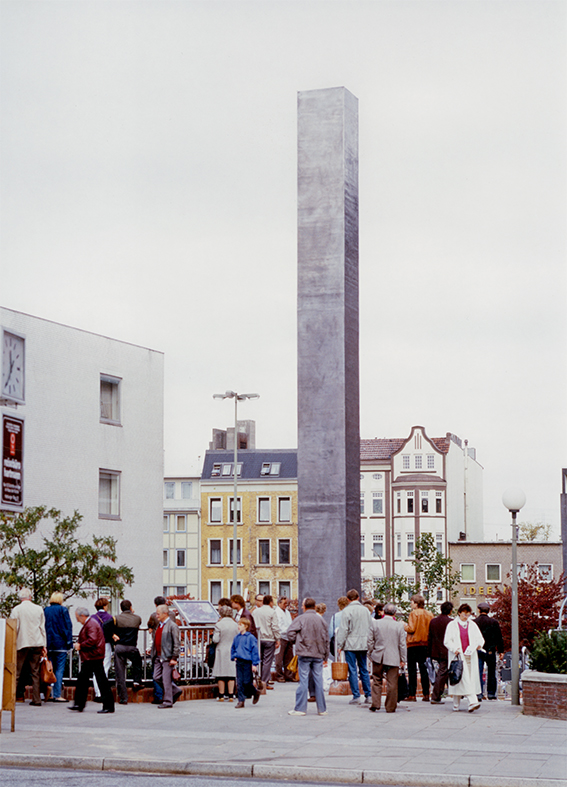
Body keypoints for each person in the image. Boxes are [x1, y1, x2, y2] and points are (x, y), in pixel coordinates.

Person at [286, 597, 329, 716]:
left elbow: (290, 632)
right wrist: (325, 655)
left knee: (303, 680)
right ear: (314, 607)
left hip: (304, 652)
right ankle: (322, 709)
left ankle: (300, 708)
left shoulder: (301, 618)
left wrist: (297, 641)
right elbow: (326, 639)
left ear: (304, 606)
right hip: (318, 653)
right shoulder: (321, 621)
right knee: (318, 680)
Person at [69, 607, 115, 714]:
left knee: (97, 680)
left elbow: (92, 640)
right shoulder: (91, 623)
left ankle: (106, 705)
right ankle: (79, 703)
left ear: (82, 616)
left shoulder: (91, 624)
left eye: (77, 617)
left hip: (93, 656)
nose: (77, 620)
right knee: (86, 680)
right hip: (93, 656)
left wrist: (81, 645)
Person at [444, 603, 484, 713]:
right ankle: (472, 701)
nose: (466, 617)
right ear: (459, 613)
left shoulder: (472, 625)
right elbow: (447, 641)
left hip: (470, 655)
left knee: (466, 678)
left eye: (468, 614)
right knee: (461, 677)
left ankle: (456, 705)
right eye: (464, 614)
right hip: (458, 655)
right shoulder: (452, 625)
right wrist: (453, 648)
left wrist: (479, 645)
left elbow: (479, 638)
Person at [367, 603, 407, 713]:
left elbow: (370, 641)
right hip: (393, 657)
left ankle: (375, 703)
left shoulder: (375, 624)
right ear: (394, 613)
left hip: (378, 656)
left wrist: (370, 653)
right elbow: (402, 644)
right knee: (392, 683)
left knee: (376, 680)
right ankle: (390, 706)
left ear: (383, 612)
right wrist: (403, 659)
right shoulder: (399, 626)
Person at [10, 588, 46, 706]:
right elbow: (42, 628)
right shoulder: (38, 609)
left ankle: (11, 698)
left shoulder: (17, 609)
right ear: (30, 597)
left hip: (22, 642)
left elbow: (14, 627)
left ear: (20, 598)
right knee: (35, 672)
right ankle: (37, 699)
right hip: (36, 642)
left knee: (16, 672)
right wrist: (44, 645)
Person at [336, 589, 372, 705]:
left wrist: (339, 645)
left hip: (350, 644)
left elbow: (344, 629)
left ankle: (356, 695)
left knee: (352, 669)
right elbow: (370, 627)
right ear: (358, 598)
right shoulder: (365, 610)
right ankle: (368, 694)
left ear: (348, 599)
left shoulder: (347, 611)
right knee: (364, 669)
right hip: (363, 643)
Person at [44, 592, 73, 703]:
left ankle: (49, 693)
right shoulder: (63, 610)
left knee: (49, 669)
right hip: (60, 644)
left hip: (48, 644)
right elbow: (67, 627)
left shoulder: (46, 610)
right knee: (59, 669)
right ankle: (57, 695)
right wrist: (69, 643)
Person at [112, 599, 143, 705]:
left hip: (119, 647)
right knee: (137, 662)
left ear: (121, 608)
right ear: (130, 607)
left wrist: (113, 635)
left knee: (120, 673)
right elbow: (138, 621)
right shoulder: (137, 618)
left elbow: (106, 626)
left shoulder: (116, 618)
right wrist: (132, 612)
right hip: (132, 647)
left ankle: (123, 698)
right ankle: (137, 681)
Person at [151, 604, 182, 709]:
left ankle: (168, 701)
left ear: (165, 613)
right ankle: (175, 690)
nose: (156, 616)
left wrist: (174, 657)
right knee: (156, 676)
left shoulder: (172, 626)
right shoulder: (160, 625)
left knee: (166, 679)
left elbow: (177, 643)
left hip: (167, 656)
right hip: (158, 655)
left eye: (158, 614)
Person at [404, 594, 433, 701]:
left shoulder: (413, 613)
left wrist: (404, 625)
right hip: (425, 644)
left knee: (412, 670)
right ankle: (426, 694)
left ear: (416, 603)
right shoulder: (429, 614)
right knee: (424, 669)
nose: (411, 604)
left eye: (411, 602)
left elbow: (411, 629)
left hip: (413, 644)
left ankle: (412, 694)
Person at [147, 595, 175, 704]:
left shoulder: (154, 616)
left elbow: (150, 624)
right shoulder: (171, 614)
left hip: (162, 649)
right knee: (166, 675)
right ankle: (171, 693)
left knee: (158, 674)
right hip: (166, 648)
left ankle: (161, 696)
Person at [474, 602, 504, 700]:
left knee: (478, 671)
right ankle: (491, 693)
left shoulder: (474, 622)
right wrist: (501, 651)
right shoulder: (494, 622)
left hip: (478, 649)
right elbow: (499, 637)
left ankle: (479, 693)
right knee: (491, 672)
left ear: (479, 610)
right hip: (490, 650)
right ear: (488, 611)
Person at [427, 600, 454, 704]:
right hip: (447, 651)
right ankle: (436, 696)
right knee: (442, 673)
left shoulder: (433, 621)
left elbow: (430, 637)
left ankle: (439, 693)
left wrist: (429, 652)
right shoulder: (451, 622)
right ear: (450, 611)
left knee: (442, 672)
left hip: (435, 651)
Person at [230, 618, 260, 708]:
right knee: (239, 681)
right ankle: (241, 700)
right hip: (239, 661)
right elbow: (233, 648)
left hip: (247, 661)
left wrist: (254, 664)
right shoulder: (237, 637)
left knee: (247, 681)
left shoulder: (251, 638)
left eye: (241, 625)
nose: (238, 626)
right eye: (238, 624)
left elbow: (254, 651)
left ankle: (254, 692)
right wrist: (234, 655)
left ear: (246, 626)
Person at [212, 602, 239, 701]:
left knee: (221, 674)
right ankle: (231, 695)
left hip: (221, 650)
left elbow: (216, 639)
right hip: (232, 650)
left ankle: (221, 695)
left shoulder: (219, 625)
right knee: (231, 674)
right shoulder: (235, 624)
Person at [252, 595, 280, 686]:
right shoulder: (272, 612)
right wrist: (277, 639)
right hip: (269, 638)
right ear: (271, 602)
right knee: (267, 661)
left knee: (258, 659)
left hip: (258, 638)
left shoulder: (255, 611)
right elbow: (274, 627)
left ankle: (256, 679)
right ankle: (264, 682)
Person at [92, 597, 114, 702]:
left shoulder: (92, 618)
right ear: (105, 606)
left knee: (96, 668)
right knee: (105, 667)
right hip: (106, 644)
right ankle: (103, 692)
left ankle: (97, 693)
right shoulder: (109, 617)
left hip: (95, 645)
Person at [274, 596, 294, 682]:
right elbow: (279, 626)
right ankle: (279, 675)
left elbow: (290, 623)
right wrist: (289, 630)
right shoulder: (276, 612)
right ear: (279, 603)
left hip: (288, 637)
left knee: (289, 658)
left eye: (287, 603)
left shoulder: (287, 612)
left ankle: (288, 675)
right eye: (284, 603)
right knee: (279, 658)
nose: (286, 605)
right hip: (281, 636)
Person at [328, 596, 349, 661]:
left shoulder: (335, 616)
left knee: (339, 661)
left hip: (338, 642)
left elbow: (331, 632)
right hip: (349, 642)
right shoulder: (350, 614)